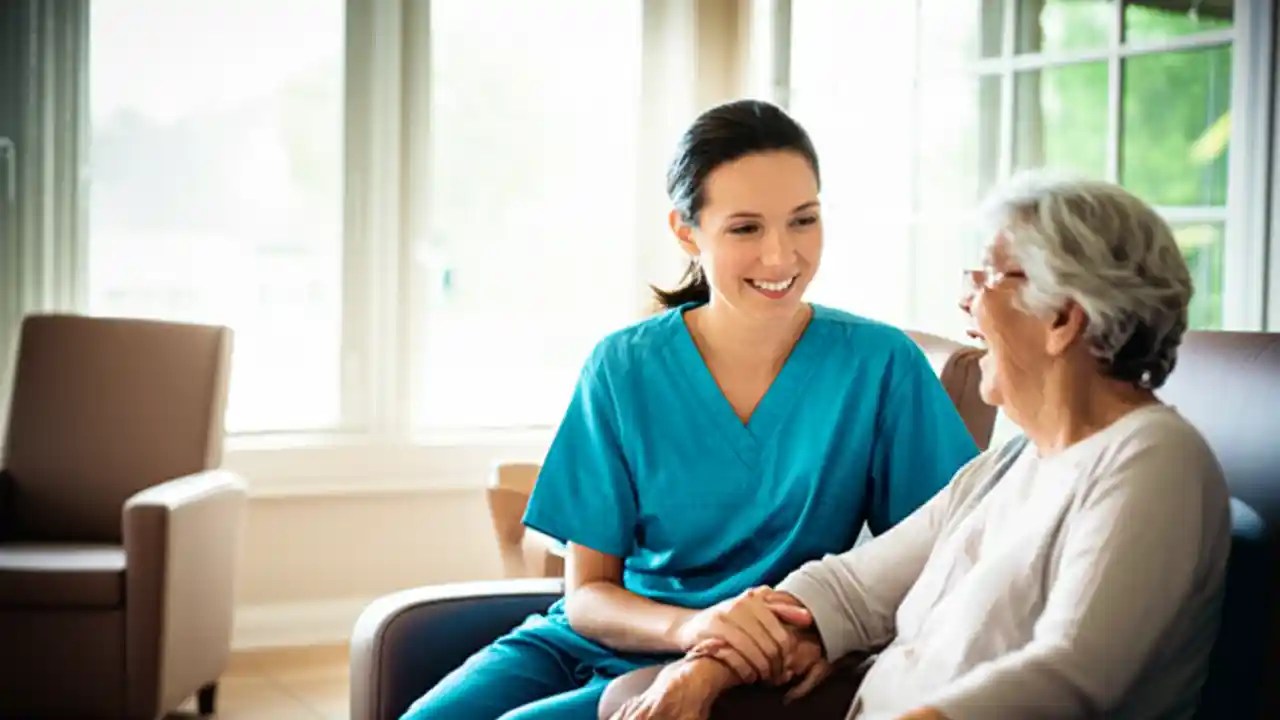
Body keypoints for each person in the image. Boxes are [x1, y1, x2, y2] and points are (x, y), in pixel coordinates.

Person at [398, 99, 979, 720]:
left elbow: (944, 559)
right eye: (745, 228)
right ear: (686, 231)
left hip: (738, 668)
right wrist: (694, 625)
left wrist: (830, 641)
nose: (781, 257)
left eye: (803, 221)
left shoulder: (880, 365)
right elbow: (589, 594)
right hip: (603, 636)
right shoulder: (622, 367)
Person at [604, 172, 1231, 720]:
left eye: (986, 277)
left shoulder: (1152, 461)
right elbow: (850, 590)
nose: (965, 298)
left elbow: (1072, 674)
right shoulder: (1013, 462)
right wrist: (703, 669)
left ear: (1063, 318)